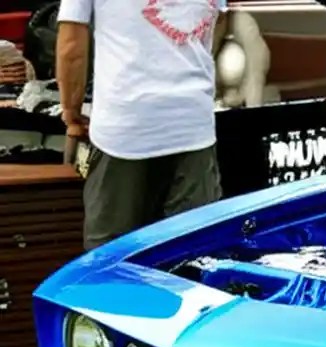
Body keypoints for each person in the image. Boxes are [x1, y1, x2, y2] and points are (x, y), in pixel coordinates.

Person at [56, 0, 228, 250]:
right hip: (193, 123)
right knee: (192, 254)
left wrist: (71, 110)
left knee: (111, 258)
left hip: (124, 127)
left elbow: (71, 47)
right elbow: (218, 20)